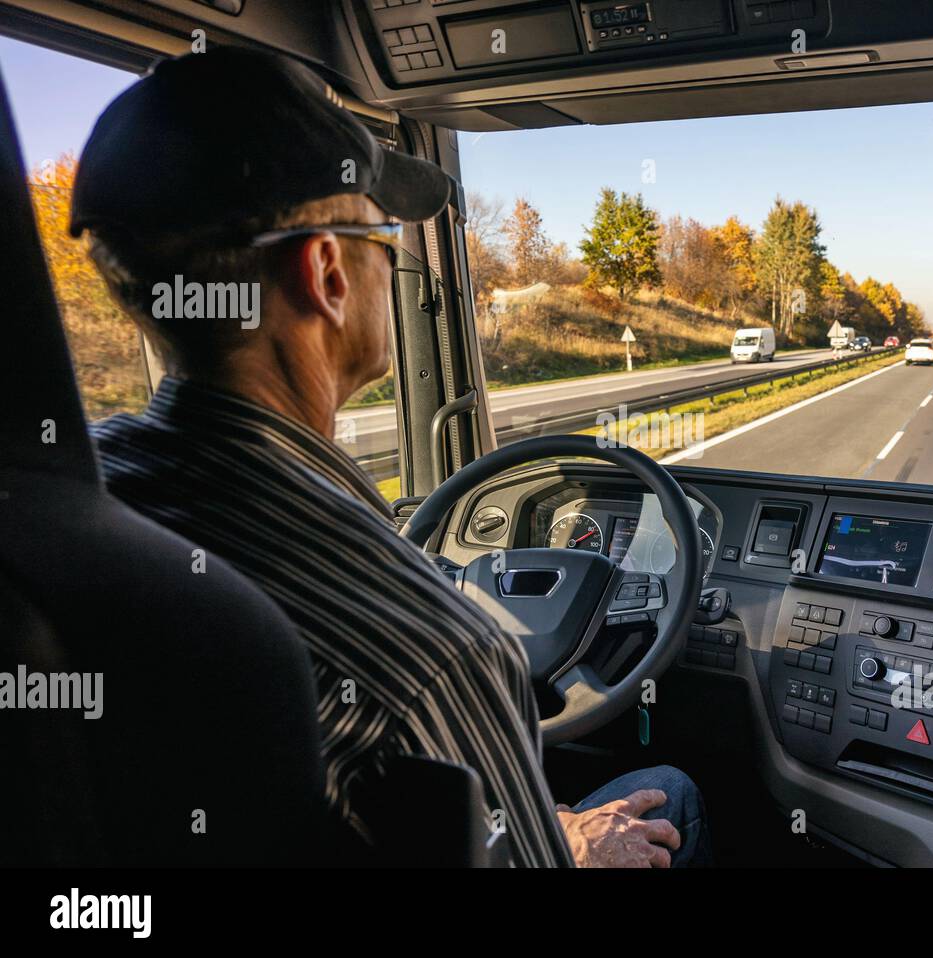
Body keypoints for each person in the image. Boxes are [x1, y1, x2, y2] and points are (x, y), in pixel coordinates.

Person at [73, 47, 707, 867]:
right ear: (327, 273)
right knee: (672, 796)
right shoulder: (432, 655)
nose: (393, 259)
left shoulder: (78, 488)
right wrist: (577, 851)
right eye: (380, 235)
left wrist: (524, 813)